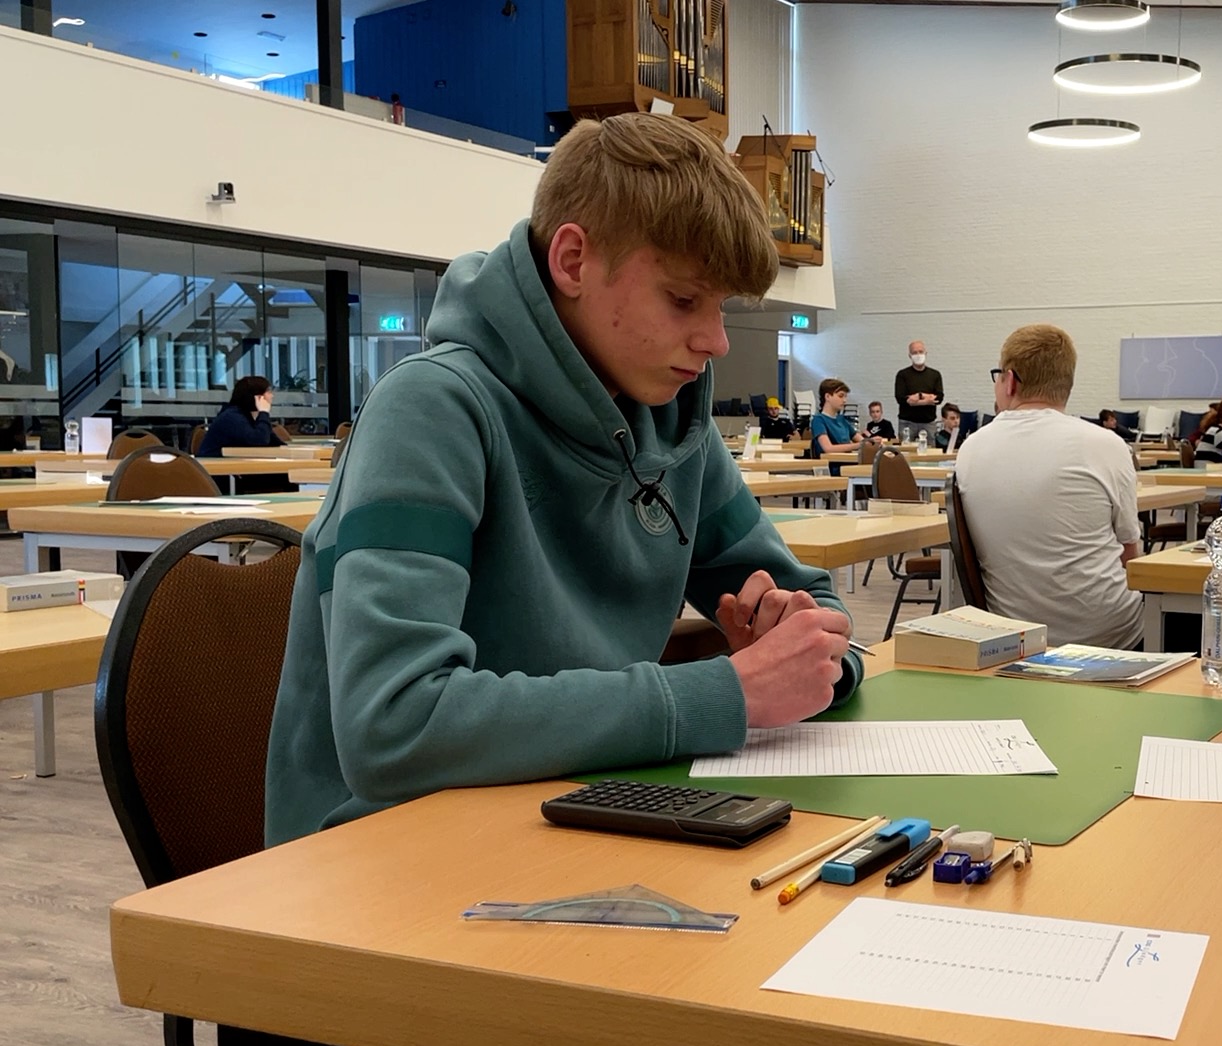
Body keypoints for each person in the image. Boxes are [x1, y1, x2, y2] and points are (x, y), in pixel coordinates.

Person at [264, 113, 861, 844]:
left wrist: (805, 652)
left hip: (585, 813)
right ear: (574, 261)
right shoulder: (432, 409)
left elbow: (821, 606)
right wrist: (722, 693)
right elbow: (393, 726)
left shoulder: (671, 421)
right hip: (384, 853)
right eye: (683, 300)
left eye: (722, 308)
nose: (716, 341)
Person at [956, 324, 1143, 649]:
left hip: (1015, 641)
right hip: (1113, 639)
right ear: (1066, 385)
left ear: (1010, 381)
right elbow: (1130, 557)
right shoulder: (1106, 445)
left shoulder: (970, 449)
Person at [197, 375, 286, 458]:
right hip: (216, 468)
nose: (272, 396)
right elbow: (260, 441)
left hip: (234, 465)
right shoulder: (232, 417)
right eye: (268, 392)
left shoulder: (247, 415)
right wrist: (264, 412)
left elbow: (273, 442)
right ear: (257, 397)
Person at [894, 340, 942, 443]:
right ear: (909, 355)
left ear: (926, 353)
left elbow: (939, 398)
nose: (918, 355)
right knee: (905, 453)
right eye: (914, 352)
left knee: (930, 454)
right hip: (907, 423)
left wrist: (917, 397)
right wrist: (928, 400)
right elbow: (900, 398)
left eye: (920, 351)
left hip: (928, 423)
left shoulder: (935, 375)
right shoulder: (902, 375)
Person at [807, 378, 866, 457]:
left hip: (848, 464)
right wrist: (858, 445)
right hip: (833, 466)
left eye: (845, 397)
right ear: (827, 396)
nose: (844, 400)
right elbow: (828, 448)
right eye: (841, 396)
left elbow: (862, 440)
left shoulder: (842, 420)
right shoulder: (818, 420)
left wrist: (872, 443)